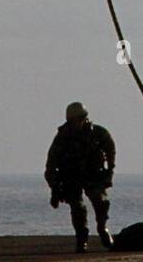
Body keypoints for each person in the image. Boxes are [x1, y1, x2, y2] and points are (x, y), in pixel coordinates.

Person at [45, 102, 116, 252]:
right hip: (71, 176)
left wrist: (109, 172)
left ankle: (102, 228)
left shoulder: (98, 134)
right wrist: (55, 189)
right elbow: (51, 164)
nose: (73, 124)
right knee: (77, 208)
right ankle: (81, 238)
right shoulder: (62, 137)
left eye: (76, 120)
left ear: (83, 118)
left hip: (93, 174)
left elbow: (110, 151)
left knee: (101, 201)